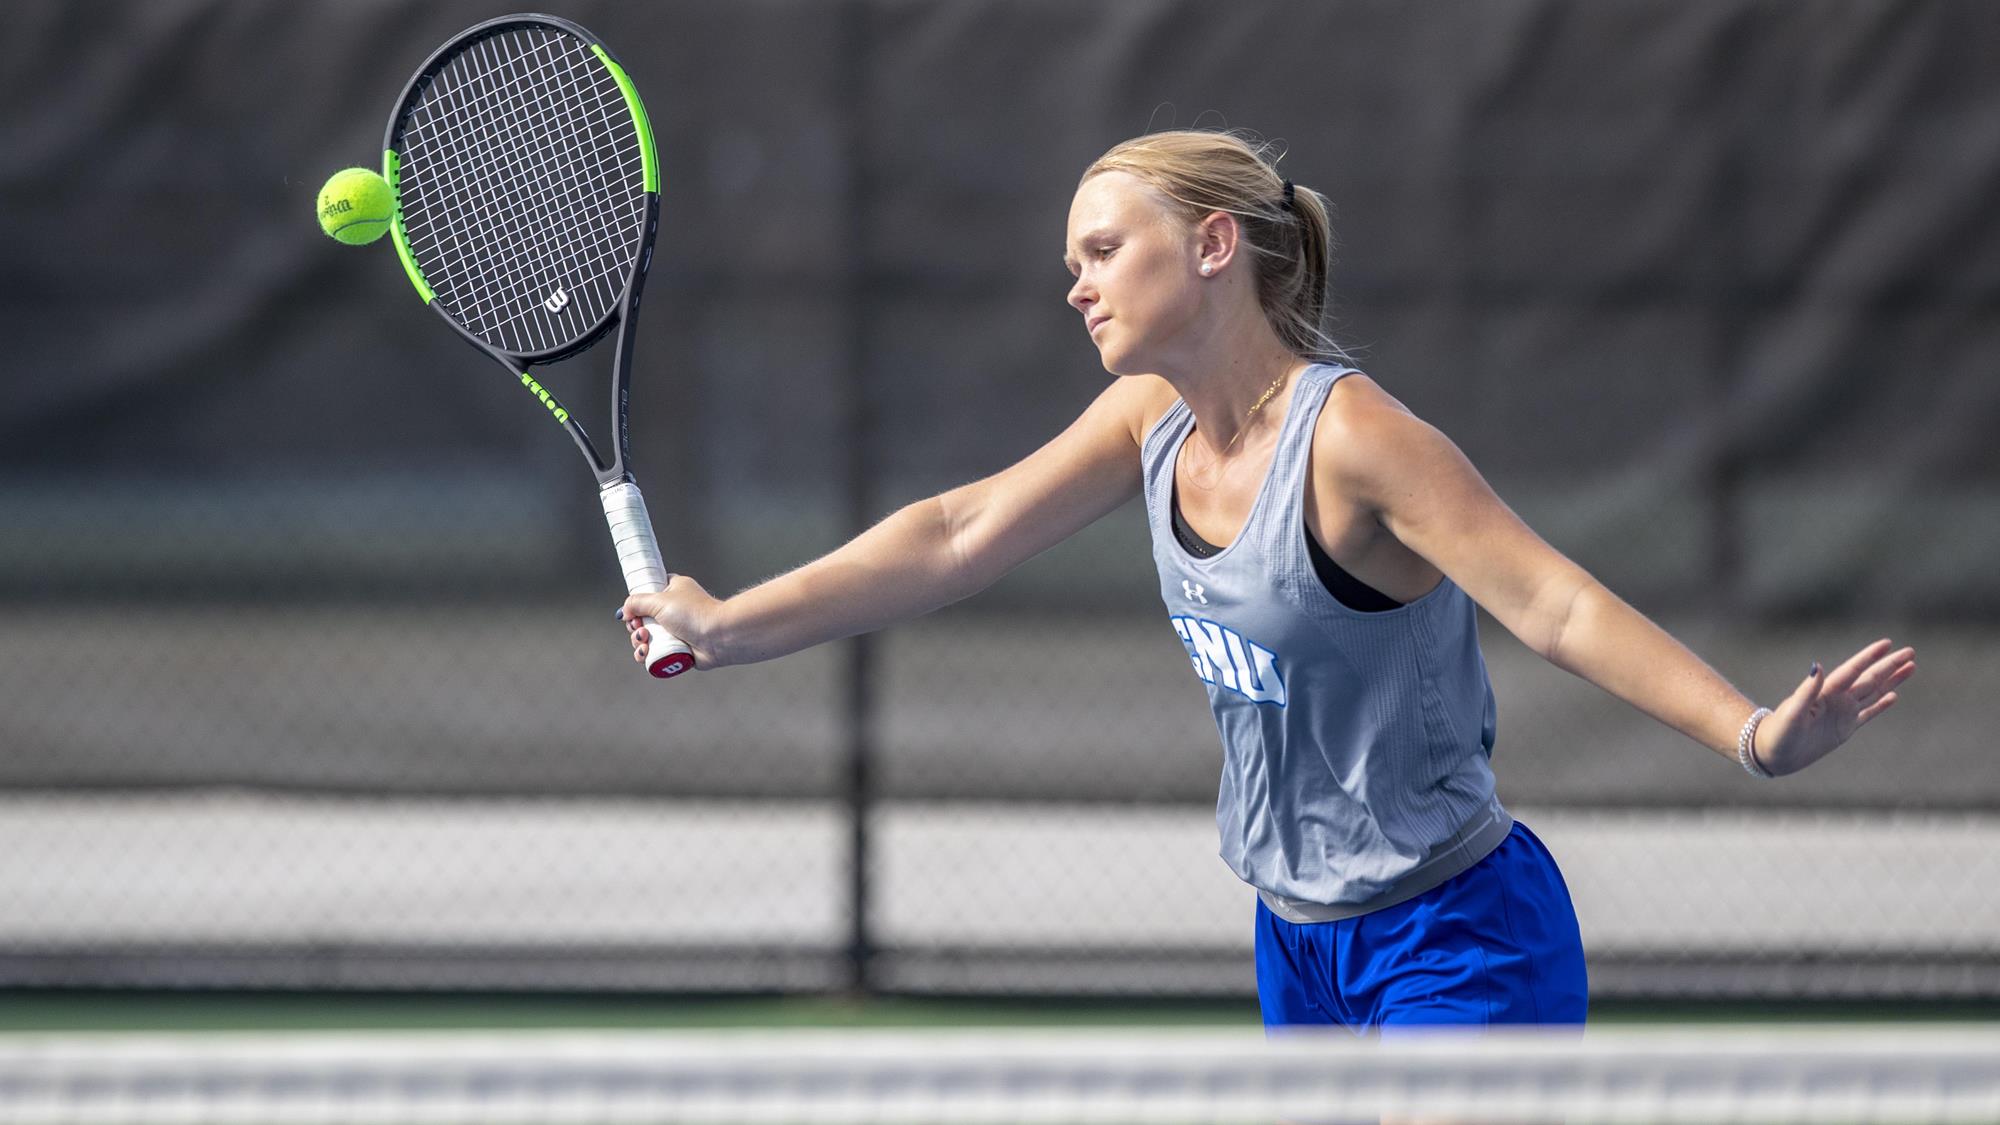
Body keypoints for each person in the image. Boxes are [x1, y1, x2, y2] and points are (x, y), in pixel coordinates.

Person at [617, 129, 1917, 1034]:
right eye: (1074, 257)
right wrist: (728, 624)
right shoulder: (1147, 419)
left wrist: (1750, 733)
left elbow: (1554, 602)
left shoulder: (1357, 444)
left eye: (1104, 247)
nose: (1075, 281)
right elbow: (957, 531)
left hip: (1457, 938)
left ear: (1212, 245)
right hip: (1295, 940)